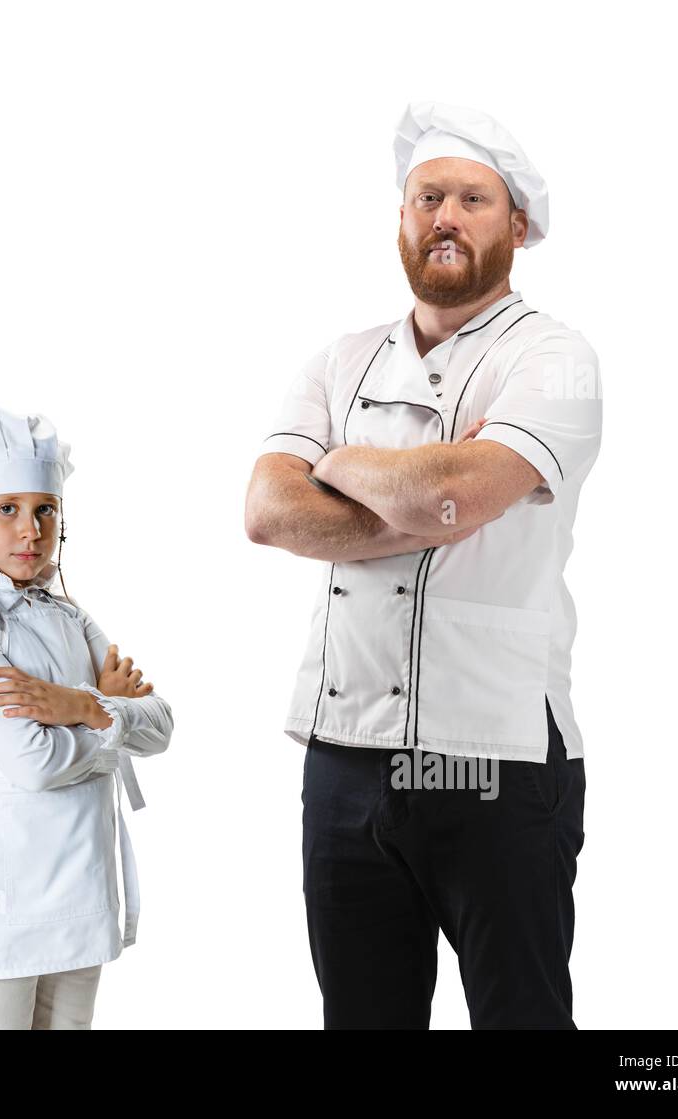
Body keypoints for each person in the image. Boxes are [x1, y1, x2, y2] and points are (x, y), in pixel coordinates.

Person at [244, 100, 603, 1029]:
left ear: (515, 225)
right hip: (344, 757)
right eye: (427, 196)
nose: (445, 215)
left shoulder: (553, 358)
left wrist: (339, 464)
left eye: (473, 199)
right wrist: (425, 497)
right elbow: (267, 510)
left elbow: (463, 491)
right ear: (402, 219)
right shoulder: (341, 358)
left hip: (497, 756)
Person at [0, 403, 173, 1029]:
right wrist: (109, 720)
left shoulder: (66, 613)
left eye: (45, 510)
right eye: (8, 510)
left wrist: (78, 705)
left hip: (81, 896)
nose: (32, 529)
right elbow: (33, 764)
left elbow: (161, 725)